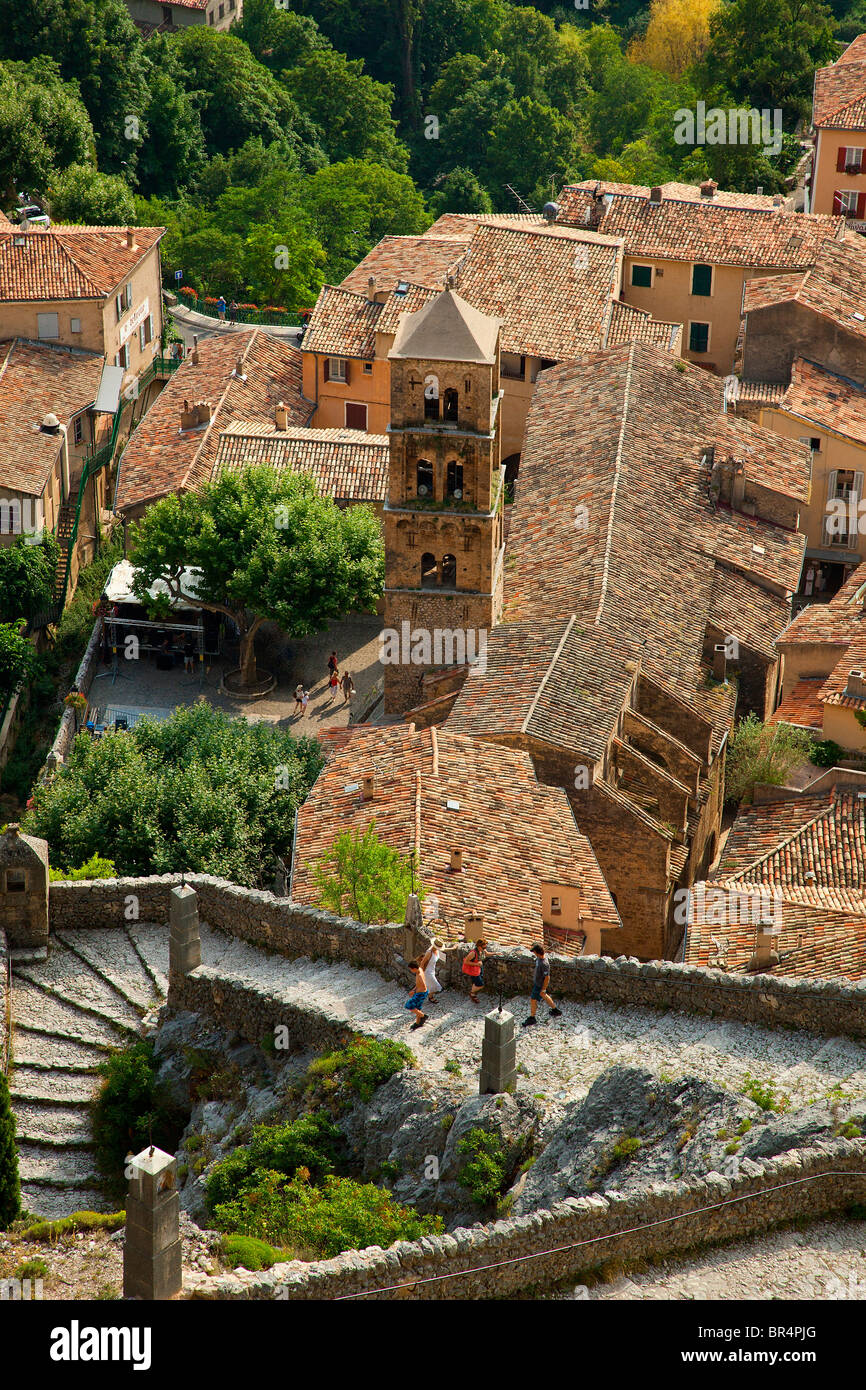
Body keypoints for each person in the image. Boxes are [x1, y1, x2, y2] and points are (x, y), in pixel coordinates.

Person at [523, 943, 563, 1027]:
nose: (533, 953)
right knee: (544, 996)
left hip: (539, 985)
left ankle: (532, 1018)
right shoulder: (538, 959)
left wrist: (543, 988)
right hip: (538, 983)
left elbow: (547, 977)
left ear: (538, 952)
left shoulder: (544, 964)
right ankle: (555, 1010)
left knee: (533, 999)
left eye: (534, 952)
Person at [403, 959, 429, 1030]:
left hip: (421, 993)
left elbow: (423, 986)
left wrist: (414, 992)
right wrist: (413, 990)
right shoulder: (419, 969)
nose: (411, 971)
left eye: (411, 969)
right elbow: (418, 984)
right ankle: (418, 1023)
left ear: (414, 968)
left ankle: (423, 1016)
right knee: (417, 1008)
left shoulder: (419, 976)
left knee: (409, 1005)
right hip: (420, 992)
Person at [420, 939, 444, 1003]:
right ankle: (430, 997)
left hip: (432, 971)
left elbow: (444, 949)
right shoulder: (429, 952)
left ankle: (429, 996)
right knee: (436, 985)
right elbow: (422, 963)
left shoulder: (437, 951)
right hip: (427, 972)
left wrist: (452, 948)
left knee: (431, 985)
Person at [462, 938, 486, 1002]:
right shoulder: (473, 953)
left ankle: (473, 995)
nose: (484, 949)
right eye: (483, 947)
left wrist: (495, 953)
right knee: (480, 985)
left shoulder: (481, 950)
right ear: (479, 946)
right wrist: (477, 964)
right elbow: (466, 962)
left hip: (478, 969)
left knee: (475, 982)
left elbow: (486, 953)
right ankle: (472, 993)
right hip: (474, 971)